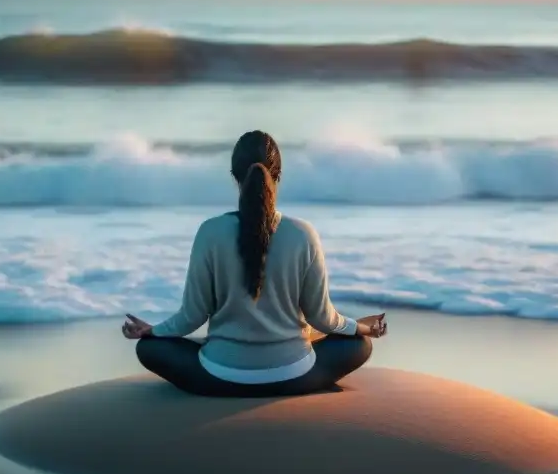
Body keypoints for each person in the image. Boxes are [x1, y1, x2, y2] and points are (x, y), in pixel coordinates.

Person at [122, 130, 387, 397]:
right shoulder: (303, 233)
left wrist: (153, 331)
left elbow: (191, 317)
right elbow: (322, 318)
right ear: (278, 175)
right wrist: (360, 328)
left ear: (234, 176)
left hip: (219, 378)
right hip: (295, 376)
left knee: (149, 348)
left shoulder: (210, 232)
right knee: (359, 345)